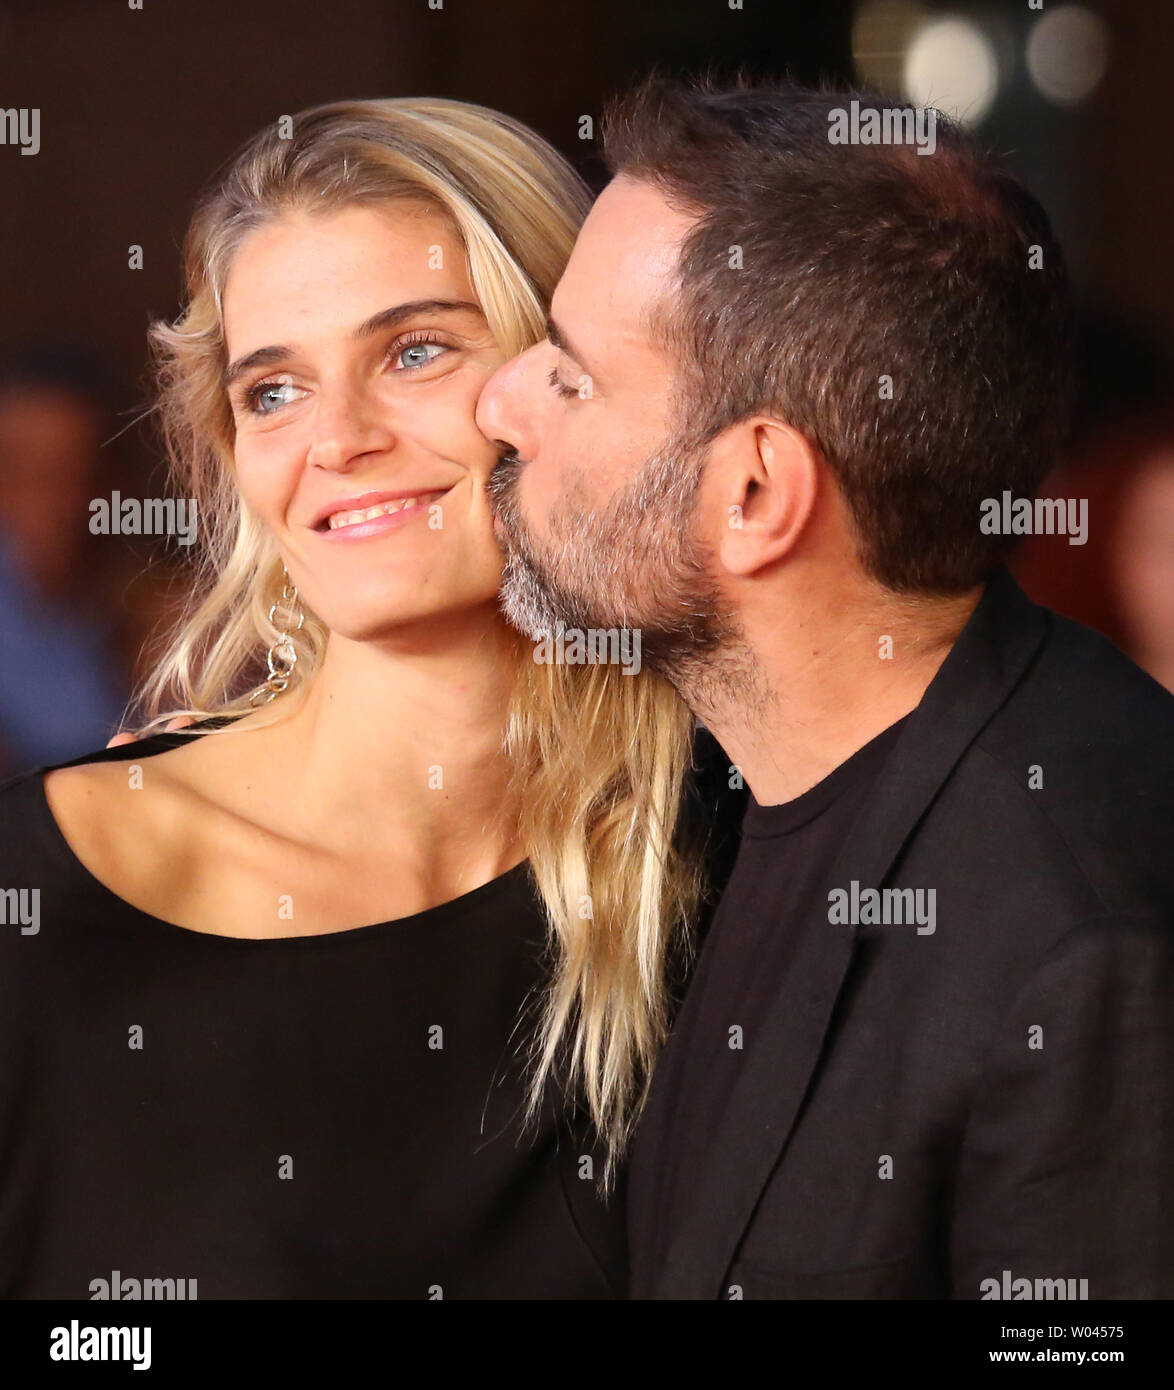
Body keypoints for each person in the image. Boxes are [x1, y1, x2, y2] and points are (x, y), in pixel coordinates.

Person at [0, 97, 716, 1299]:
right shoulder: (48, 901)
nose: (337, 438)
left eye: (416, 349)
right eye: (272, 391)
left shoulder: (741, 842)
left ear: (570, 379)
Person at [477, 76, 1174, 1298]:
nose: (500, 400)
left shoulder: (1082, 947)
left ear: (755, 494)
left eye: (572, 377)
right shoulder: (729, 788)